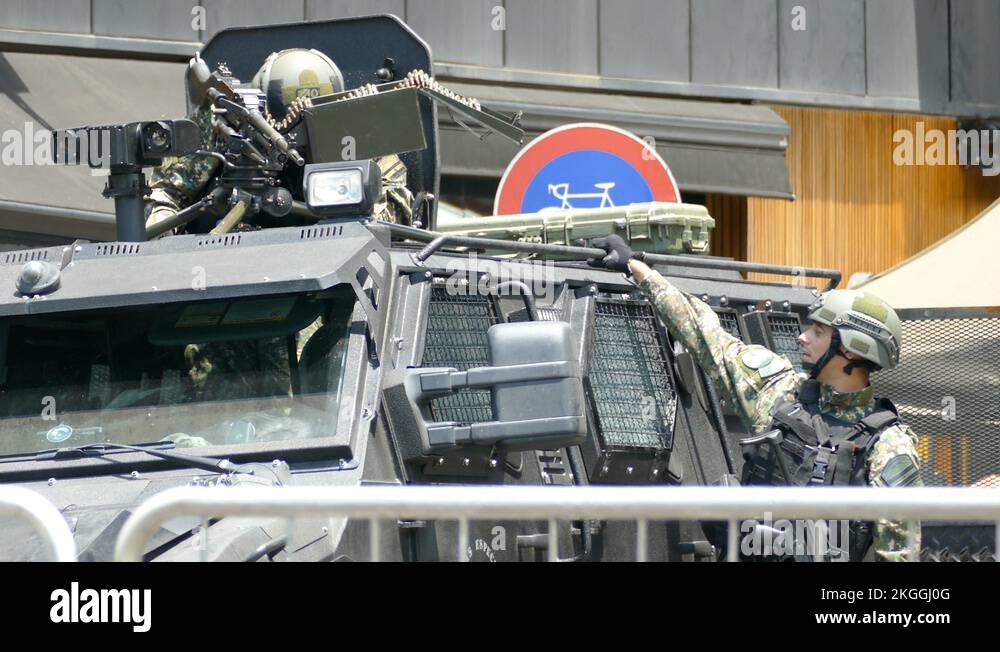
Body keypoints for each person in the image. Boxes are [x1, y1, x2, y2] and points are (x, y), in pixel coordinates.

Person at [590, 235, 922, 562]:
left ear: (851, 349)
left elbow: (898, 557)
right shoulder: (778, 391)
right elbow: (706, 335)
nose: (802, 336)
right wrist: (638, 269)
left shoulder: (888, 448)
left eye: (818, 332)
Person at [144, 48, 413, 236]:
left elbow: (392, 208)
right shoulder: (225, 121)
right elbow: (164, 195)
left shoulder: (360, 133)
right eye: (289, 124)